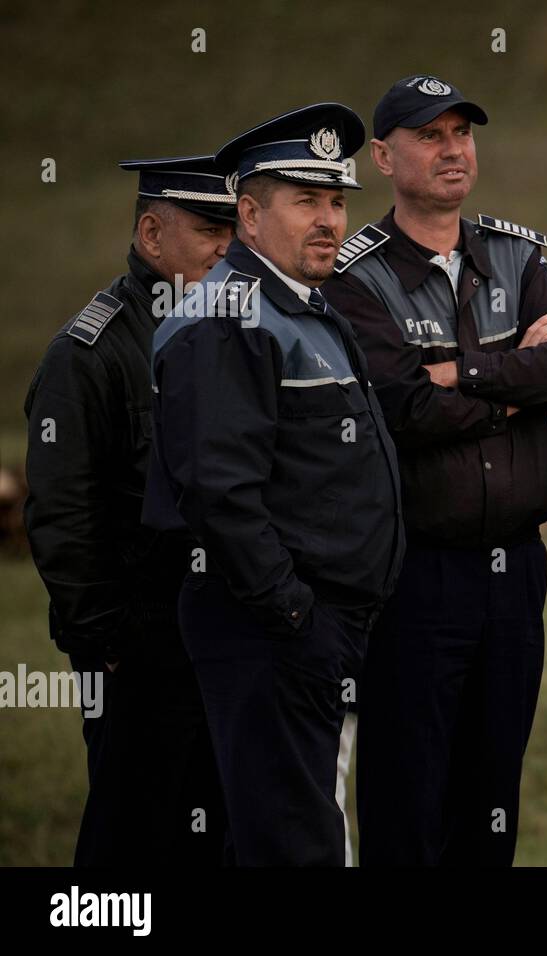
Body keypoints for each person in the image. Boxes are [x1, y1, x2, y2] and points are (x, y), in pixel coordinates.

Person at [322, 75, 547, 866]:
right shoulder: (352, 272)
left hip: (516, 568)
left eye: (461, 133)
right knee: (408, 790)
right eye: (429, 135)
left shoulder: (516, 251)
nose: (452, 150)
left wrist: (463, 372)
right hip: (413, 571)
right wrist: (516, 369)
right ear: (382, 156)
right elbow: (402, 407)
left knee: (491, 789)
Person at [145, 103, 404, 866]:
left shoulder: (299, 309)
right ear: (249, 215)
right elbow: (221, 495)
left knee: (285, 829)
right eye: (305, 201)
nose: (329, 220)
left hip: (311, 631)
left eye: (335, 201)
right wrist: (295, 615)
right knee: (295, 844)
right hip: (272, 633)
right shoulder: (229, 319)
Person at [24, 154, 234, 866]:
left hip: (222, 638)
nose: (228, 247)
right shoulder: (90, 352)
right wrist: (105, 639)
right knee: (135, 844)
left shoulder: (233, 332)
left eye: (236, 230)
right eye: (211, 230)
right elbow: (61, 513)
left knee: (217, 836)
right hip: (137, 653)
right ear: (151, 234)